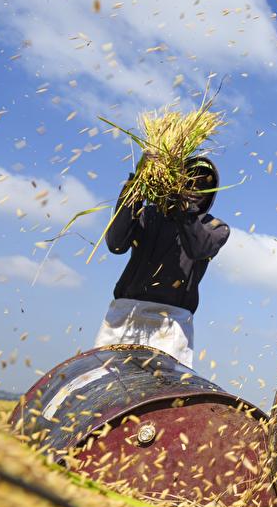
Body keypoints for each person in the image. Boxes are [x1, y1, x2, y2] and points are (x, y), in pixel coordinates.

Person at [94, 156, 230, 366]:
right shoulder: (148, 215)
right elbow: (116, 244)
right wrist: (135, 188)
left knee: (163, 391)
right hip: (126, 315)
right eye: (189, 181)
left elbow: (198, 248)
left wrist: (183, 208)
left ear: (210, 194)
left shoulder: (214, 227)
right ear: (176, 180)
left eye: (203, 185)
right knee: (106, 384)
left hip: (171, 324)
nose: (194, 188)